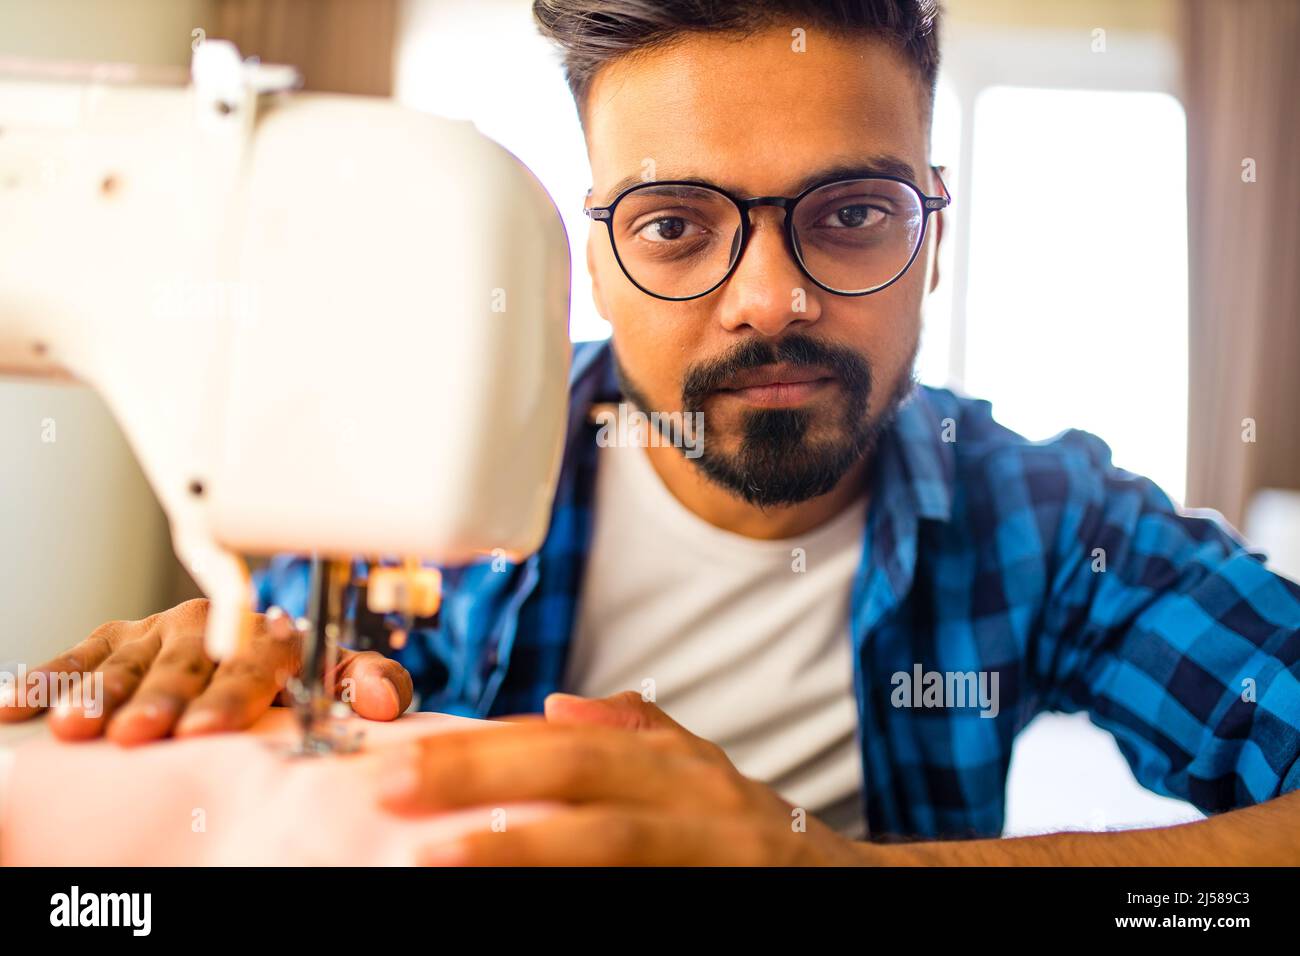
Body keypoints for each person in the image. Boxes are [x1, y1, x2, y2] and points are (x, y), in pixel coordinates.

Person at [5, 0, 1298, 865]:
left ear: (934, 244)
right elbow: (293, 681)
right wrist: (221, 678)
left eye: (852, 213)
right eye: (677, 223)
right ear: (601, 261)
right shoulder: (429, 476)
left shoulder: (1050, 522)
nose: (769, 299)